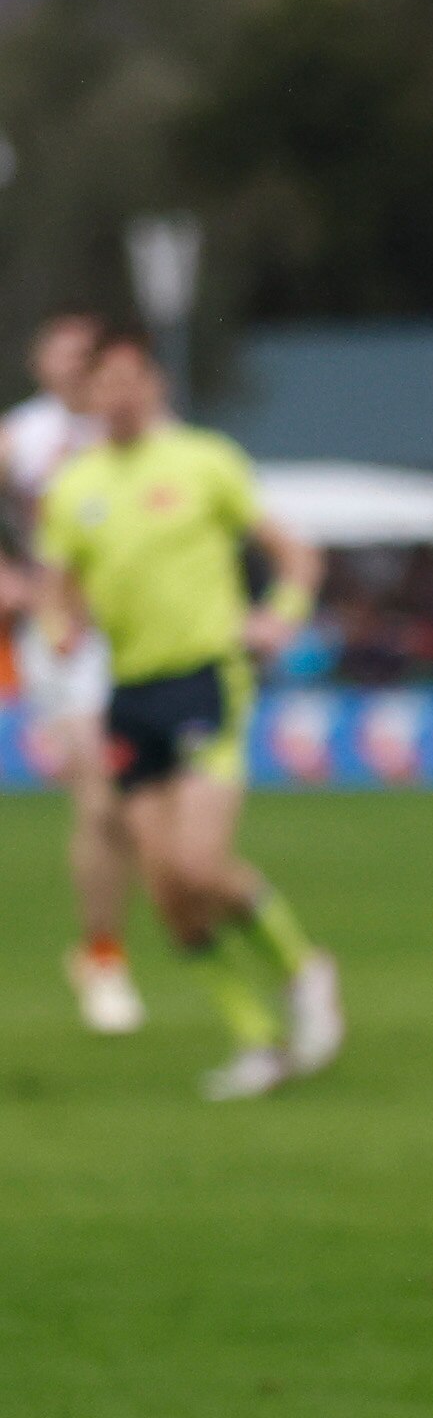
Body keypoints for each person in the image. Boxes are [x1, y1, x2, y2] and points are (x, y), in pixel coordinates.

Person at [32, 330, 342, 1100]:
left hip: (205, 680)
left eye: (130, 379)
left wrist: (282, 615)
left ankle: (303, 969)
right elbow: (58, 587)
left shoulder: (204, 461)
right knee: (168, 892)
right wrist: (60, 626)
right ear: (89, 395)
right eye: (104, 383)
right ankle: (256, 1039)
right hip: (129, 695)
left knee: (200, 865)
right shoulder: (75, 487)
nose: (118, 395)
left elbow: (296, 555)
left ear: (154, 385)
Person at [2, 311, 147, 1032]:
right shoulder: (21, 435)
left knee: (133, 811)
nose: (73, 365)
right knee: (98, 796)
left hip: (140, 633)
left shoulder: (136, 433)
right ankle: (104, 957)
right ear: (39, 363)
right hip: (64, 635)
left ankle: (109, 942)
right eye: (60, 353)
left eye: (84, 354)